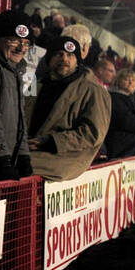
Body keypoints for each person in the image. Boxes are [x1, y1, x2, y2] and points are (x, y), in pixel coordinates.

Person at [26, 25, 110, 181]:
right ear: (49, 59)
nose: (64, 59)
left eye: (70, 55)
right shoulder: (37, 85)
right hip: (31, 148)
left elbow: (92, 133)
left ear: (77, 60)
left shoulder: (93, 90)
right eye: (59, 54)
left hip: (65, 156)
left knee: (16, 165)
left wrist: (51, 142)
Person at [0, 9, 34, 181]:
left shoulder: (14, 68)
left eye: (26, 43)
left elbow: (19, 117)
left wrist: (23, 154)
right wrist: (0, 158)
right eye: (14, 40)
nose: (21, 48)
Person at [103, 68, 135, 159]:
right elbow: (125, 120)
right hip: (119, 148)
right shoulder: (113, 98)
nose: (131, 83)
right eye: (126, 79)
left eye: (133, 80)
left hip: (133, 148)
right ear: (118, 80)